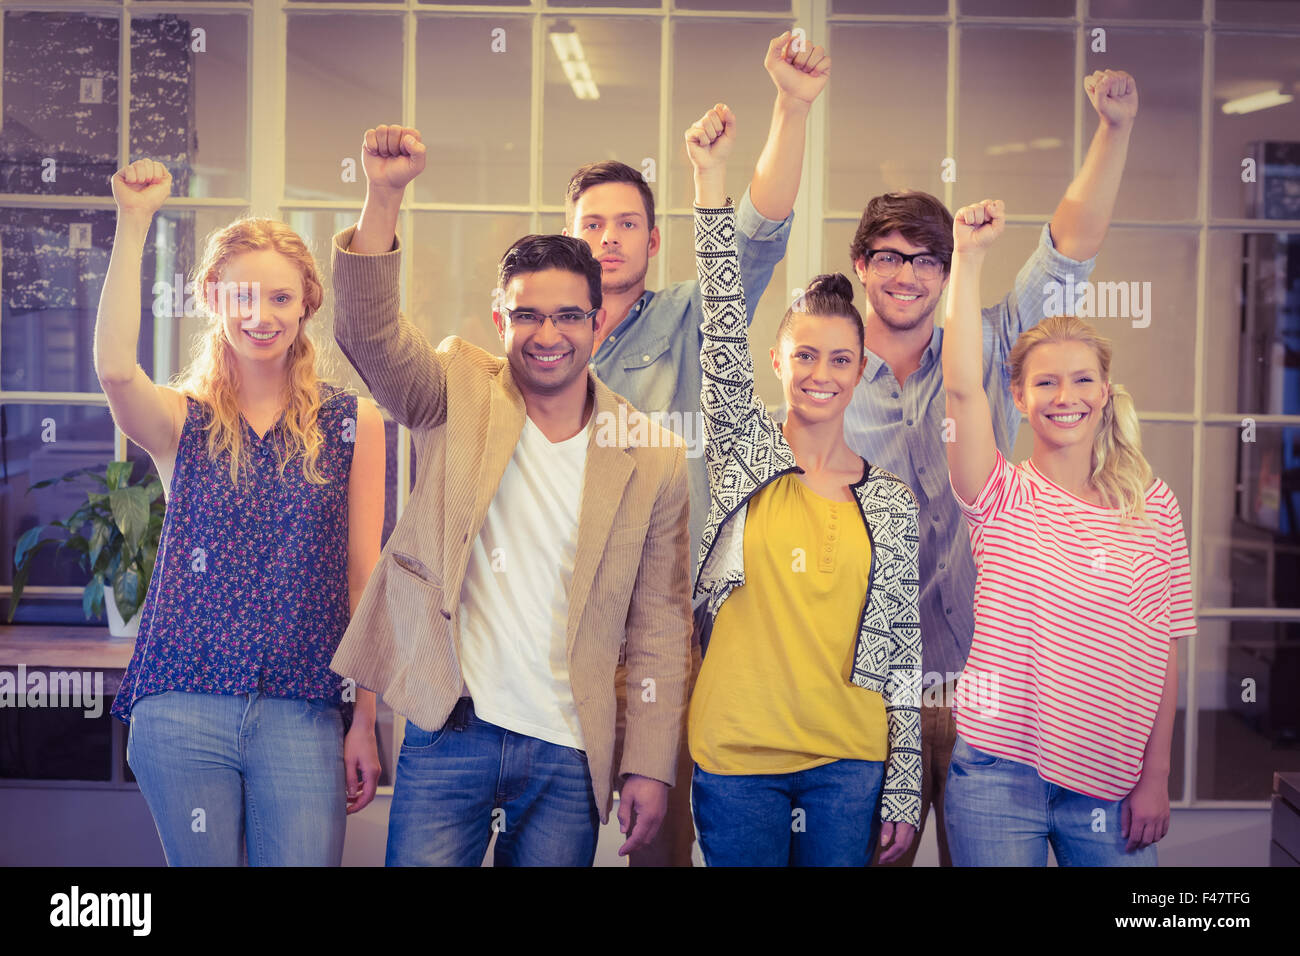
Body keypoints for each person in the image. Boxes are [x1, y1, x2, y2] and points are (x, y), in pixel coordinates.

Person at [327, 125, 693, 867]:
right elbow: (366, 335)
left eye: (567, 316)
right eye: (526, 314)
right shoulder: (456, 387)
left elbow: (659, 622)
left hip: (566, 749)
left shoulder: (652, 453)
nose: (546, 333)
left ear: (597, 321)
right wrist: (384, 195)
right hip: (448, 727)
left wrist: (650, 761)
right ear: (501, 320)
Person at [841, 70, 1141, 866]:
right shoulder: (826, 372)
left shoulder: (994, 346)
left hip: (993, 691)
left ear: (947, 271)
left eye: (926, 260)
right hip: (871, 689)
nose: (906, 275)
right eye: (888, 257)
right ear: (860, 264)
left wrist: (1113, 129)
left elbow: (1068, 250)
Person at [567, 30, 830, 867]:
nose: (609, 238)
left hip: (669, 625)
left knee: (660, 844)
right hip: (562, 621)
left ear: (653, 240)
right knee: (553, 835)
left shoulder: (691, 319)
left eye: (628, 225)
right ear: (570, 239)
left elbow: (757, 231)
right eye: (593, 225)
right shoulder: (537, 344)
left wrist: (789, 108)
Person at [100, 160, 386, 866]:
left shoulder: (355, 422)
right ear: (214, 300)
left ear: (306, 303)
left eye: (281, 298)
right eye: (244, 297)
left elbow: (364, 579)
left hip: (304, 708)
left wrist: (367, 720)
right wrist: (134, 222)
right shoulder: (180, 420)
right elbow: (112, 370)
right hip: (182, 704)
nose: (262, 315)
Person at [685, 105, 921, 866]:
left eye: (840, 360)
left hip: (847, 762)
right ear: (779, 365)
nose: (822, 374)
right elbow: (721, 320)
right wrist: (710, 178)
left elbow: (902, 653)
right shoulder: (743, 451)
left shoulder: (886, 500)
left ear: (860, 370)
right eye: (805, 357)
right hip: (735, 756)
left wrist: (905, 790)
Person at [940, 198, 1192, 866]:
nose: (1065, 395)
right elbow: (963, 390)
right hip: (997, 776)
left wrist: (1157, 775)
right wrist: (967, 260)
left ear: (1106, 390)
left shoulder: (1154, 506)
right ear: (1018, 397)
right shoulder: (998, 495)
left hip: (1114, 784)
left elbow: (1164, 649)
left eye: (1082, 379)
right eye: (1044, 382)